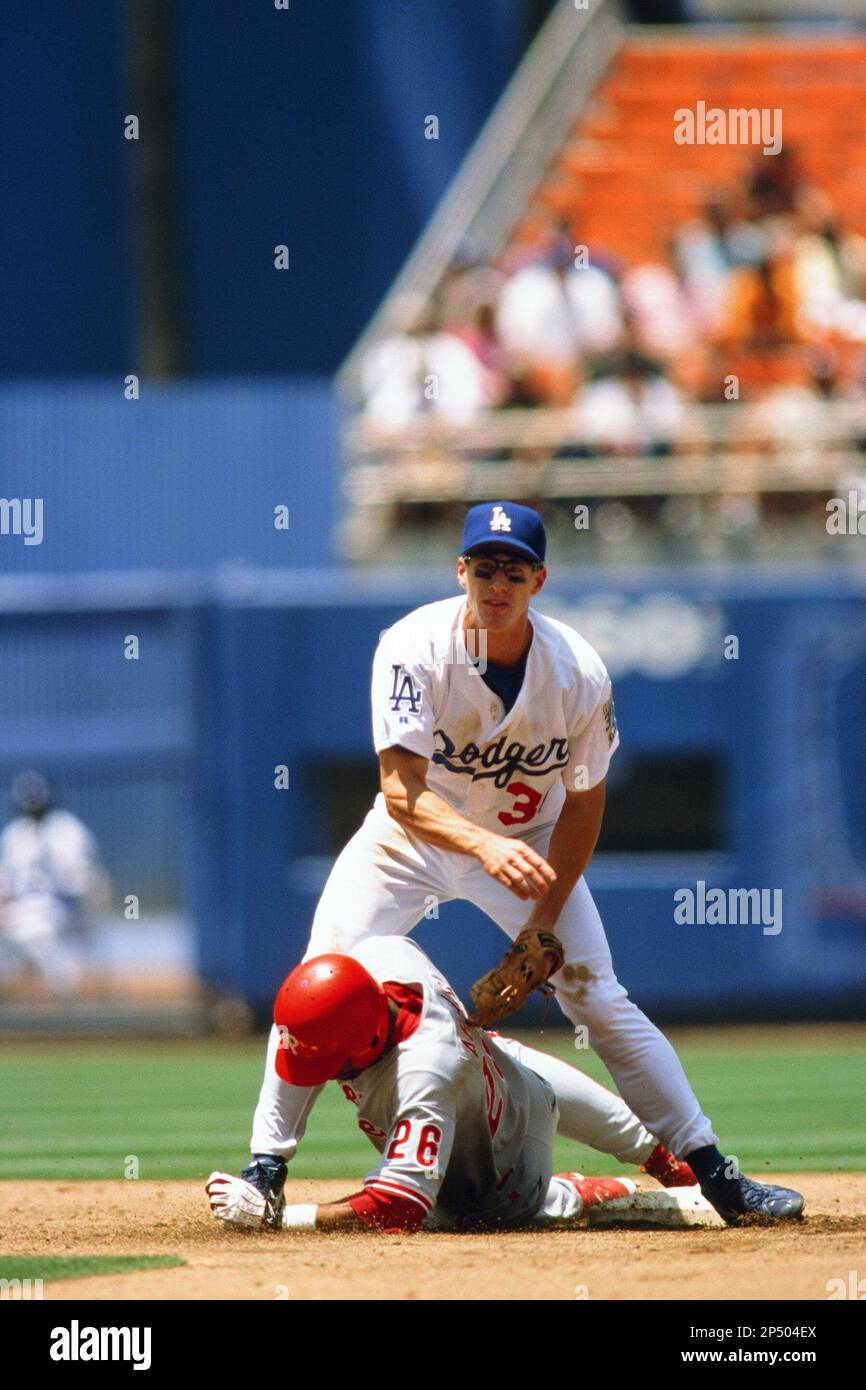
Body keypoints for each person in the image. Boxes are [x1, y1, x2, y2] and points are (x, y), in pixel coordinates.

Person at [224, 501, 804, 1227]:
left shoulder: (577, 674)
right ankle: (265, 1170)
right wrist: (484, 845)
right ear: (461, 570)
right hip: (412, 839)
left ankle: (718, 1176)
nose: (499, 583)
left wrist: (545, 925)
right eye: (486, 567)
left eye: (516, 570)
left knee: (598, 997)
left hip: (528, 840)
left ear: (540, 580)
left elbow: (585, 805)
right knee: (318, 980)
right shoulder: (411, 647)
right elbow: (400, 793)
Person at [207, 936, 697, 1233]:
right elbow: (320, 1015)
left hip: (500, 1180)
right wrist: (266, 1168)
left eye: (331, 1064)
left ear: (365, 1042)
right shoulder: (382, 959)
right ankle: (664, 1158)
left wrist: (280, 1218)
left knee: (463, 1213)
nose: (321, 1076)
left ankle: (573, 1192)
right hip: (507, 1074)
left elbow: (398, 1206)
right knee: (496, 1055)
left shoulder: (423, 1072)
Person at [0, 770, 107, 997]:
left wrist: (86, 904)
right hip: (25, 909)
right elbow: (6, 881)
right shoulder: (15, 834)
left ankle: (67, 985)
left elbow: (86, 877)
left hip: (62, 906)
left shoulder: (67, 829)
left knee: (32, 930)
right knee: (23, 929)